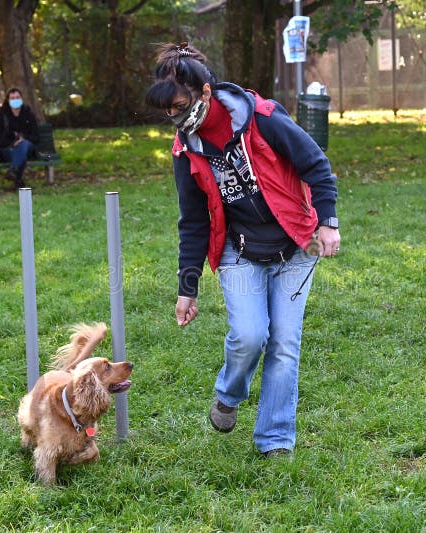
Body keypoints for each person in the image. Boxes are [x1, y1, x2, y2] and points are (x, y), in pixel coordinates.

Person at [145, 42, 340, 459]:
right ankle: (229, 394)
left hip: (295, 247)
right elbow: (193, 222)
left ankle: (275, 440)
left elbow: (316, 165)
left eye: (179, 107)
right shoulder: (186, 150)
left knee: (284, 345)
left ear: (205, 92)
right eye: (168, 113)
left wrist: (328, 221)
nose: (175, 119)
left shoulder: (264, 118)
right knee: (251, 336)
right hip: (239, 251)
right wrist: (188, 287)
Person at [0, 87, 39, 188]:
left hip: (28, 147)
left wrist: (23, 138)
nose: (15, 100)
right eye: (12, 98)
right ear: (8, 100)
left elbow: (36, 136)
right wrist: (12, 142)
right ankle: (18, 180)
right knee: (20, 153)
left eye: (17, 97)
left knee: (23, 145)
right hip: (8, 149)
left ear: (21, 99)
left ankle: (13, 169)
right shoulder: (1, 116)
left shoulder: (28, 114)